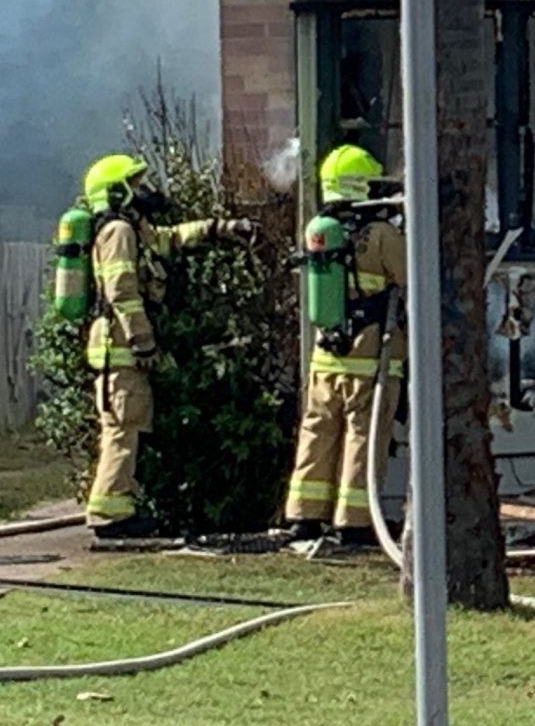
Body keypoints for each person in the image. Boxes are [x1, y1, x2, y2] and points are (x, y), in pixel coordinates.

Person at [78, 153, 247, 542]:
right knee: (123, 428)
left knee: (128, 427)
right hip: (119, 349)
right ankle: (109, 515)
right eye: (135, 184)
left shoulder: (134, 229)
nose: (145, 191)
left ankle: (117, 508)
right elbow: (122, 292)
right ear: (118, 192)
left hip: (121, 348)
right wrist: (143, 341)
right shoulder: (118, 232)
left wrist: (219, 228)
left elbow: (169, 239)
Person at [282, 143, 406, 551]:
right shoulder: (382, 235)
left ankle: (303, 515)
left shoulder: (318, 230)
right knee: (362, 434)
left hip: (325, 355)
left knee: (317, 430)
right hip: (369, 357)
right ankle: (352, 522)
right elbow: (415, 278)